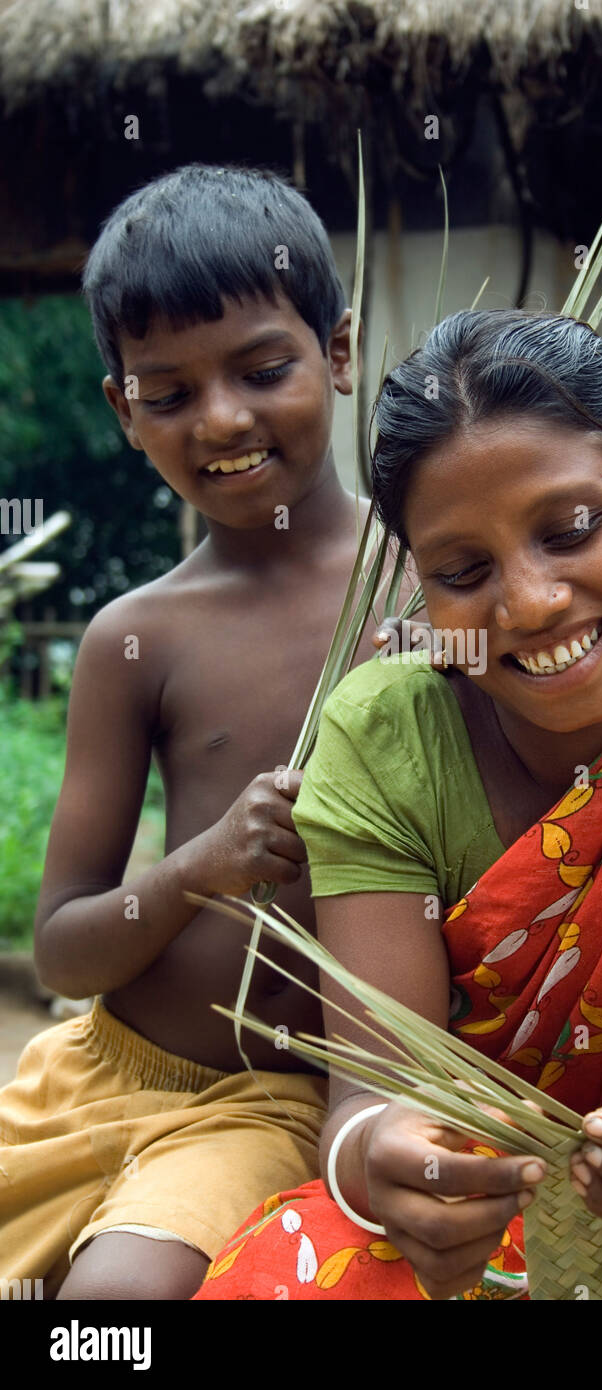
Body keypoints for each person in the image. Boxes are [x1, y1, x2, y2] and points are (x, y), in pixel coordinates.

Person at [194, 309, 602, 1302]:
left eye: (570, 530)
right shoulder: (387, 741)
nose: (529, 602)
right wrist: (384, 1165)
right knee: (297, 1266)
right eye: (461, 574)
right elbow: (369, 1099)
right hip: (475, 1221)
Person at [0, 164, 397, 1301]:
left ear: (336, 349)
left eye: (262, 368)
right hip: (92, 1075)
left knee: (114, 1310)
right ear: (125, 412)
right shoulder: (140, 638)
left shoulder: (428, 592)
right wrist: (198, 869)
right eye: (166, 392)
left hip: (268, 1096)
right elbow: (65, 949)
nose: (220, 417)